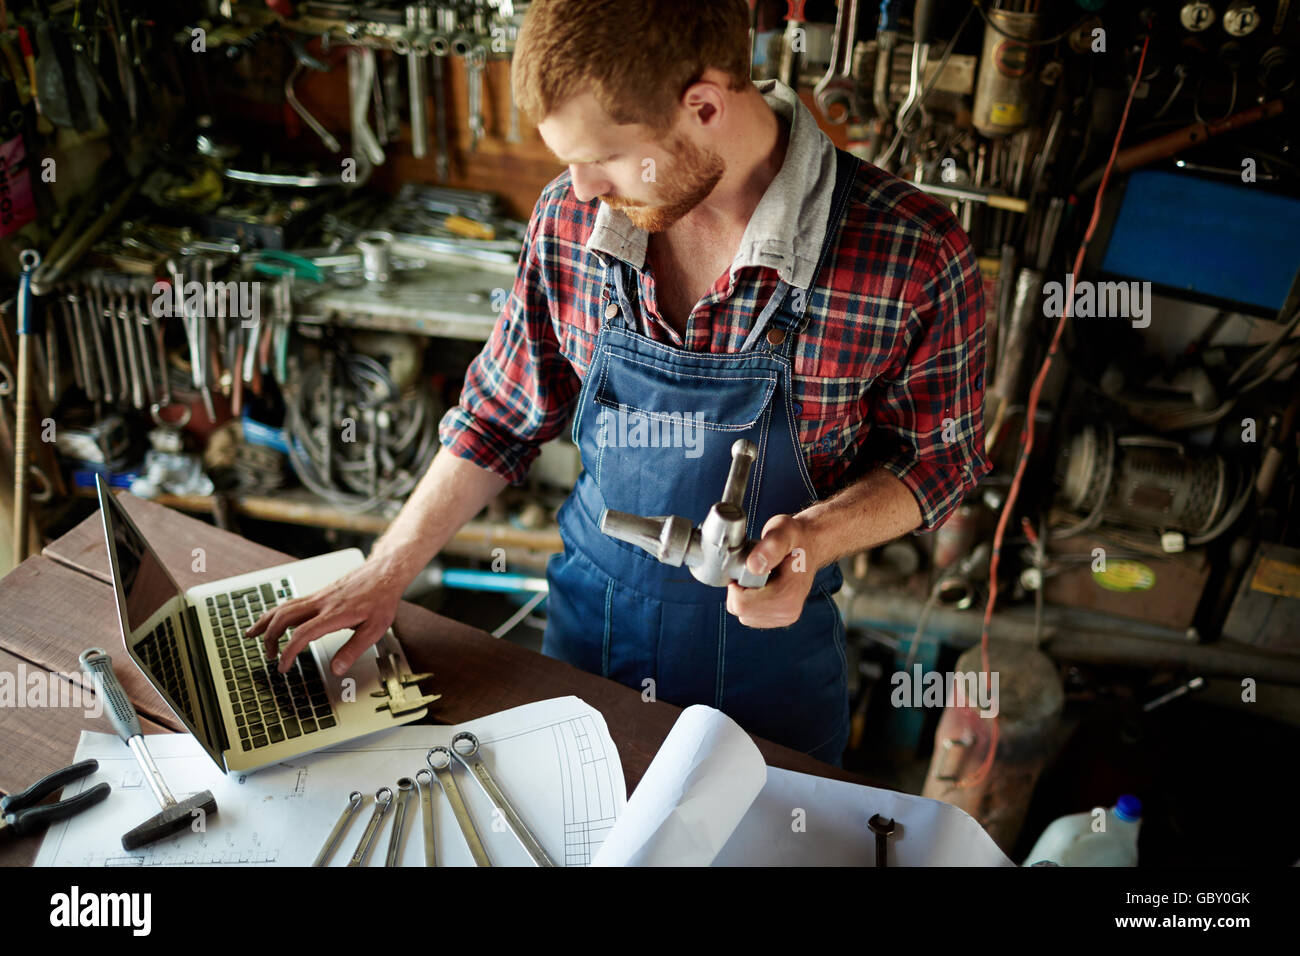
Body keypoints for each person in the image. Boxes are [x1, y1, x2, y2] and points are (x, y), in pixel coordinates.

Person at [249, 0, 990, 767]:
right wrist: (385, 571)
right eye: (568, 161)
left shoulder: (914, 255)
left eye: (602, 158)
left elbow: (937, 461)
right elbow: (500, 415)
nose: (579, 190)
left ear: (703, 106)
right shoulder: (571, 225)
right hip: (589, 638)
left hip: (771, 677)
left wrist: (813, 539)